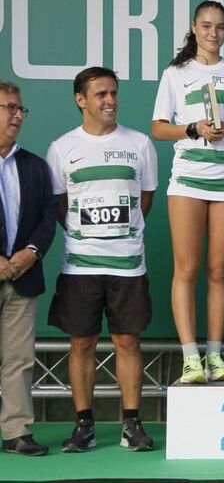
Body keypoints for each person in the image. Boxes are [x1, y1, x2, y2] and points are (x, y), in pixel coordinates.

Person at [46, 67, 158, 452]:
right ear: (81, 100)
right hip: (80, 265)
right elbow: (60, 205)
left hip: (127, 262)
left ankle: (132, 426)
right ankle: (84, 427)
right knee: (82, 342)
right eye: (100, 95)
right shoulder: (62, 148)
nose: (109, 101)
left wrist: (121, 235)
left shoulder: (140, 143)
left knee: (128, 340)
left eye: (113, 93)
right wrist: (85, 235)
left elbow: (145, 200)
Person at [151, 0, 224, 384]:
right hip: (188, 179)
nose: (214, 34)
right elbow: (159, 128)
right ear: (195, 29)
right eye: (207, 26)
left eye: (220, 27)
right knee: (187, 269)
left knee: (217, 271)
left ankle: (214, 356)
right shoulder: (176, 73)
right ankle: (190, 358)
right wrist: (194, 128)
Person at [0, 81, 55, 456]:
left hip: (23, 277)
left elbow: (48, 217)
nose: (17, 115)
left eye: (20, 109)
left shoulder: (35, 166)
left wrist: (31, 252)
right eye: (9, 108)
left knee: (19, 359)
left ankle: (16, 432)